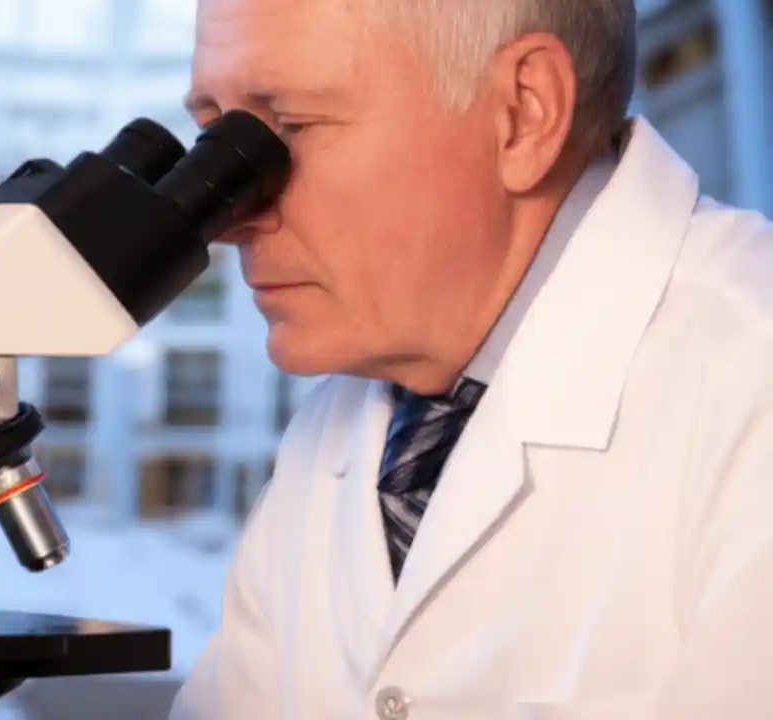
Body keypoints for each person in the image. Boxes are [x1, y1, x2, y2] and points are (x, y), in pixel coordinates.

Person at [169, 1, 773, 718]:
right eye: (215, 135)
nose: (234, 216)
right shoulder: (346, 424)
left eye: (292, 126)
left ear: (523, 113)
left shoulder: (748, 382)